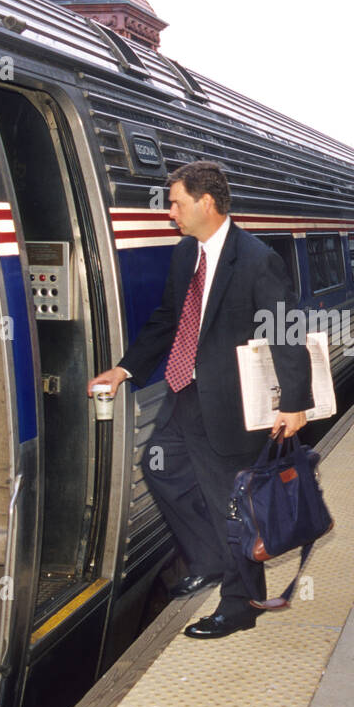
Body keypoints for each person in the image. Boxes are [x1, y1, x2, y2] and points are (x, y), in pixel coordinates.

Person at [87, 161, 312, 640]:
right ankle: (211, 559)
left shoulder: (256, 259)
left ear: (206, 203)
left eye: (176, 203)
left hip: (231, 407)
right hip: (185, 391)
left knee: (232, 506)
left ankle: (241, 605)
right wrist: (125, 369)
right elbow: (168, 319)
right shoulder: (186, 254)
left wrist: (294, 403)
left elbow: (285, 332)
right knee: (160, 468)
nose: (170, 213)